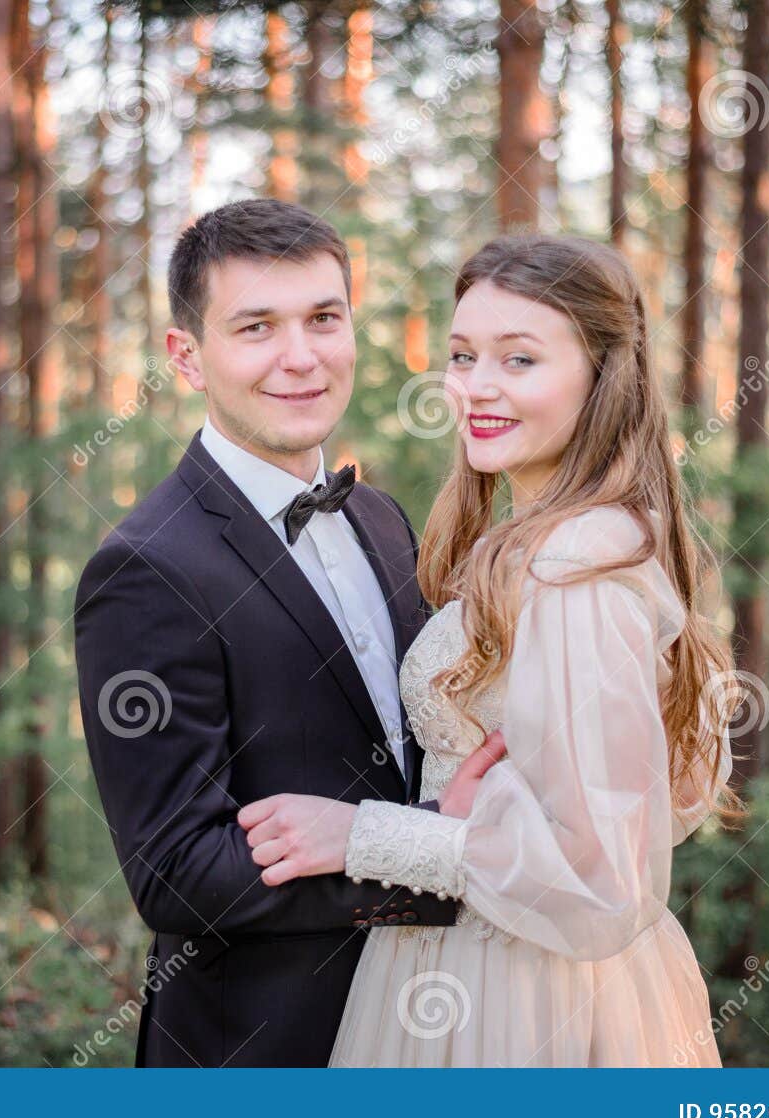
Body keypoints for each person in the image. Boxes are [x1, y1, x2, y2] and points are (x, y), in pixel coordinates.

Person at [239, 234, 740, 1066]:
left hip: (521, 996)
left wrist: (364, 835)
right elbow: (667, 788)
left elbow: (606, 879)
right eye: (464, 356)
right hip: (477, 960)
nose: (476, 387)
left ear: (603, 378)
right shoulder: (558, 541)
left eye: (520, 359)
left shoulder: (578, 565)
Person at [73, 198, 505, 1067]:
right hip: (262, 1049)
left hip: (435, 1023)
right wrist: (428, 856)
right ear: (186, 356)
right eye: (256, 327)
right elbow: (178, 876)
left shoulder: (381, 519)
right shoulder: (146, 570)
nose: (300, 357)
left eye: (322, 318)